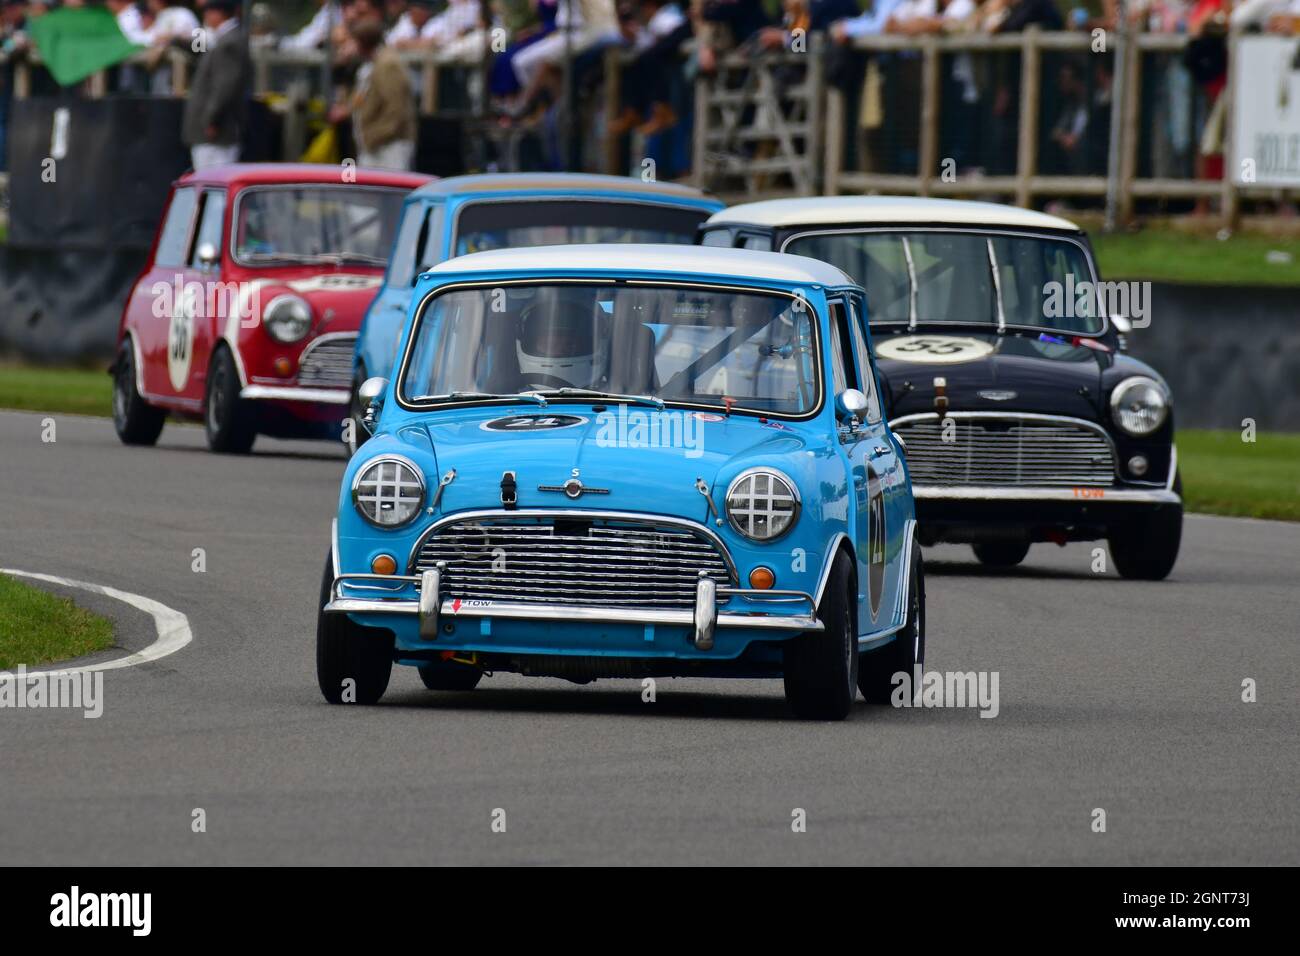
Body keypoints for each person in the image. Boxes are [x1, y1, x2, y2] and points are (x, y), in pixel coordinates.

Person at [329, 17, 417, 169]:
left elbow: (396, 109)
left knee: (391, 189)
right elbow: (360, 98)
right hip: (371, 145)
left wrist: (373, 136)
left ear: (362, 42)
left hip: (389, 145)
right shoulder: (370, 64)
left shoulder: (388, 65)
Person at [181, 0, 250, 169]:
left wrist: (212, 119)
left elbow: (225, 87)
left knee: (213, 177)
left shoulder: (230, 42)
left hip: (217, 130)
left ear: (218, 13)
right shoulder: (220, 37)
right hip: (213, 128)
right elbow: (197, 48)